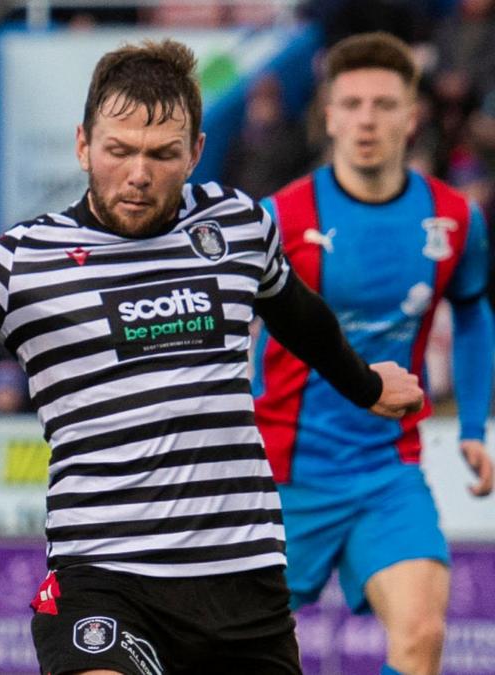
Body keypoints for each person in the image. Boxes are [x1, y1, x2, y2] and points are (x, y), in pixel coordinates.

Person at [0, 39, 424, 674]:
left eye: (163, 154)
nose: (138, 174)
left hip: (241, 576)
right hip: (103, 576)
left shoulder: (238, 226)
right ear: (83, 144)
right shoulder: (20, 261)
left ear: (195, 151)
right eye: (119, 151)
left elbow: (298, 315)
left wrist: (364, 385)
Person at [254, 32, 494, 675]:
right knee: (226, 651)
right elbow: (232, 331)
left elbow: (472, 312)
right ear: (328, 116)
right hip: (281, 475)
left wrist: (472, 427)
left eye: (384, 104)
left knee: (421, 636)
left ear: (411, 117)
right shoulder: (278, 218)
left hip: (387, 471)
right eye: (352, 103)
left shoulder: (454, 220)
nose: (367, 118)